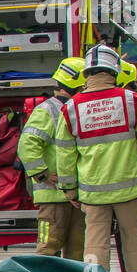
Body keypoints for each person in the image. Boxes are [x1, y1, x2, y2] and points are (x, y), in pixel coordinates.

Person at [55, 45, 137, 272]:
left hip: (93, 193)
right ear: (114, 71)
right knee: (135, 239)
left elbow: (65, 156)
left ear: (87, 72)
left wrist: (70, 190)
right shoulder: (132, 100)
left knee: (95, 243)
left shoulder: (70, 109)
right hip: (131, 189)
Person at [19, 57, 86, 259]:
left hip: (75, 195)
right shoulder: (48, 110)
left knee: (77, 253)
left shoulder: (75, 107)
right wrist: (43, 175)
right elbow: (27, 145)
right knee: (48, 250)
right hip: (53, 197)